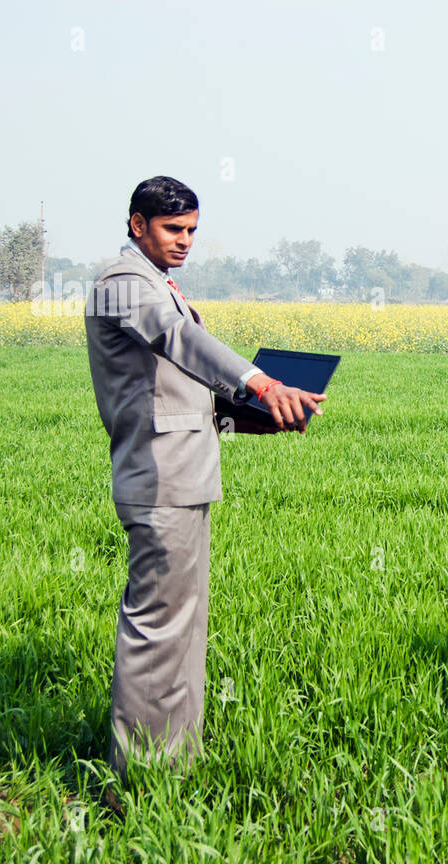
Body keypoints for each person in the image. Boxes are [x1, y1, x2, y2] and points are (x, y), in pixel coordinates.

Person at [84, 176, 325, 794]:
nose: (185, 241)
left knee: (185, 631)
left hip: (186, 477)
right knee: (158, 629)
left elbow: (175, 388)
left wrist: (248, 415)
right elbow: (179, 341)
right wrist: (261, 382)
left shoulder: (159, 284)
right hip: (158, 481)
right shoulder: (123, 286)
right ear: (137, 224)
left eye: (192, 230)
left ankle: (175, 766)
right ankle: (137, 780)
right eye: (173, 229)